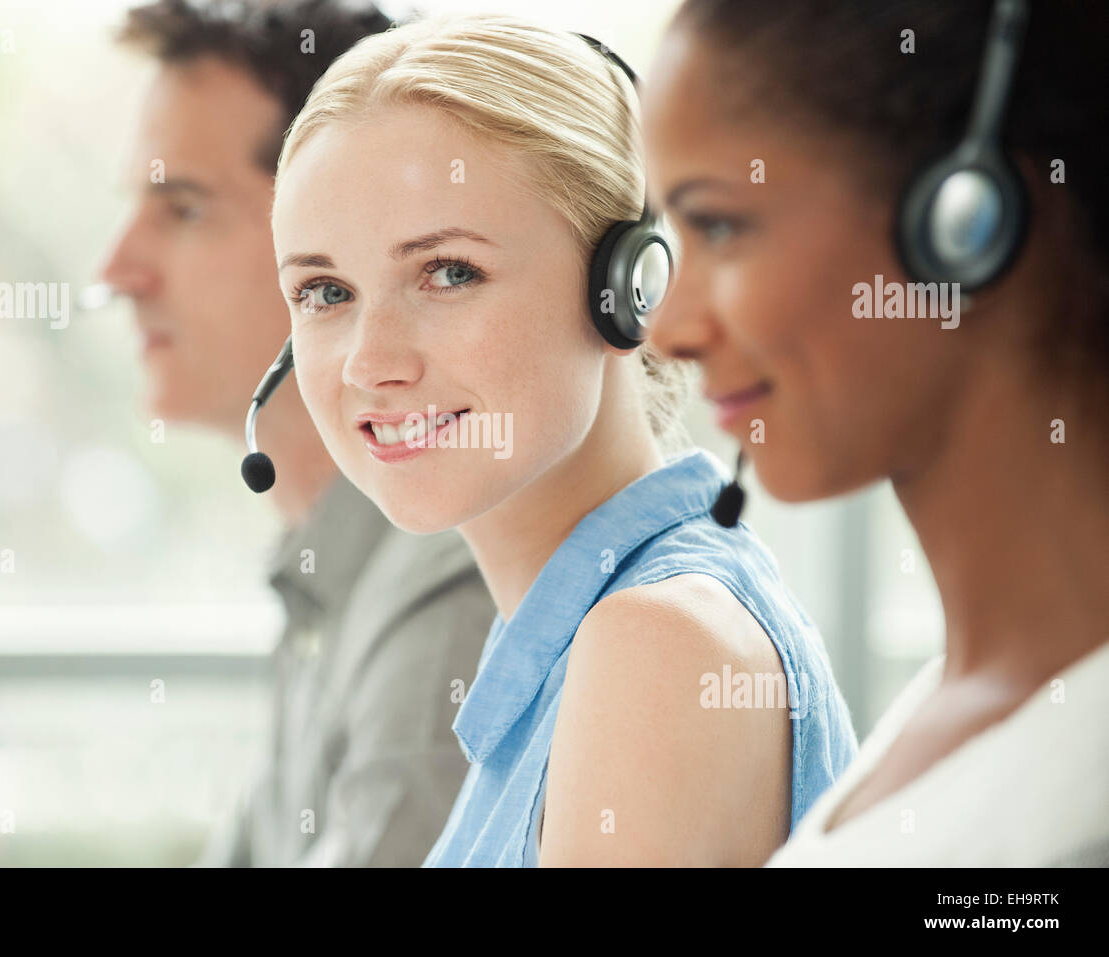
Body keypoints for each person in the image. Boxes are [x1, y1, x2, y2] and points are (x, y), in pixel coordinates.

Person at [269, 13, 858, 866]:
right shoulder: (580, 643)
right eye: (325, 291)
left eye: (448, 272)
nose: (370, 361)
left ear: (628, 285)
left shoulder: (657, 645)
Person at [644, 0, 1109, 865]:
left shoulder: (1074, 809)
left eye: (719, 224)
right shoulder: (972, 704)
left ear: (965, 221)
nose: (666, 329)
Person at [101, 0, 495, 867]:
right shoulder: (330, 572)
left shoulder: (449, 603)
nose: (116, 268)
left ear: (334, 233)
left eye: (183, 208)